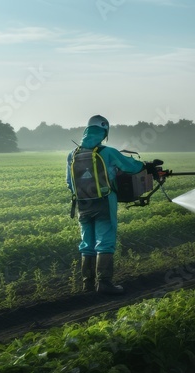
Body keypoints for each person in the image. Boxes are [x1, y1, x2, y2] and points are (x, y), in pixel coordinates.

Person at [66, 115, 158, 295]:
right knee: (105, 242)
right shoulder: (107, 152)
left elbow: (69, 183)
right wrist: (147, 166)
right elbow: (130, 166)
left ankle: (88, 285)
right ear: (104, 132)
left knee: (87, 243)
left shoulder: (73, 155)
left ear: (87, 130)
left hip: (83, 205)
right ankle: (104, 283)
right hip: (104, 203)